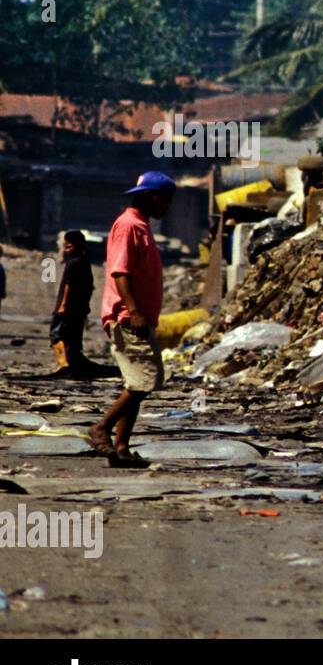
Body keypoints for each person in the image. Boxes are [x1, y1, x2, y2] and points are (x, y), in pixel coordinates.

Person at [89, 172, 174, 468]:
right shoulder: (128, 226)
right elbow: (120, 272)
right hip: (129, 318)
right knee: (143, 382)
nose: (167, 207)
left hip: (140, 317)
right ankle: (102, 428)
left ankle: (122, 449)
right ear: (150, 196)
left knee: (136, 384)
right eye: (165, 200)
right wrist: (134, 310)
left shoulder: (141, 226)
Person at [49, 230, 96, 375]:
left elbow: (68, 285)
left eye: (68, 246)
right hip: (78, 309)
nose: (66, 250)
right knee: (72, 337)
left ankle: (63, 364)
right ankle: (73, 364)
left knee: (56, 334)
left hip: (68, 307)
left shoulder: (73, 263)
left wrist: (62, 306)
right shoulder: (84, 262)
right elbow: (89, 287)